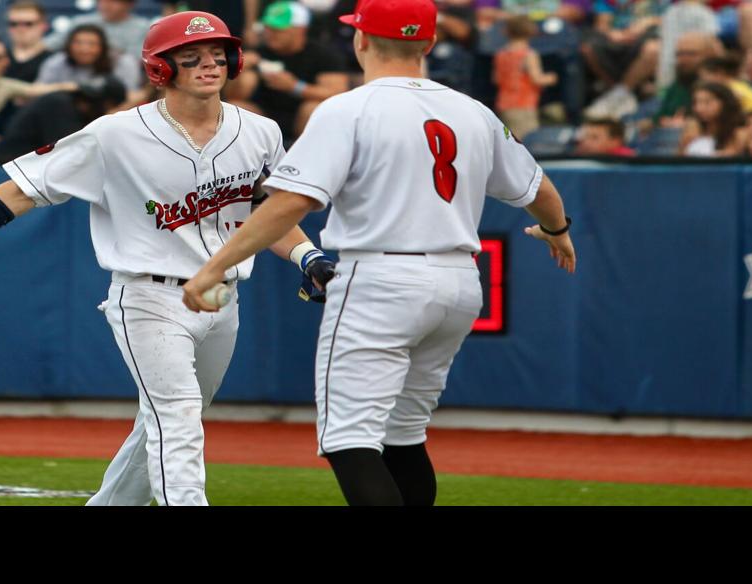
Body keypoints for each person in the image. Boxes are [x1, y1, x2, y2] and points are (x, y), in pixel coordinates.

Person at [0, 11, 337, 508]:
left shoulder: (261, 131)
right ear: (161, 69)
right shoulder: (115, 134)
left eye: (218, 54)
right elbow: (23, 190)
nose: (211, 64)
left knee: (160, 425)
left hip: (223, 298)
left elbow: (267, 216)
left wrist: (308, 256)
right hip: (150, 296)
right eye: (193, 57)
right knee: (178, 417)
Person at [181, 0, 577, 507]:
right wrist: (557, 230)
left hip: (381, 279)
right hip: (458, 285)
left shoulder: (350, 107)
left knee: (348, 438)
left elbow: (291, 203)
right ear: (429, 44)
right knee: (403, 434)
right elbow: (538, 188)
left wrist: (212, 267)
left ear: (361, 40)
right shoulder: (473, 110)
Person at [228, 1, 346, 141]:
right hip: (265, 113)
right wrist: (239, 68)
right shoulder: (256, 53)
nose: (270, 33)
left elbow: (338, 93)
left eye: (278, 29)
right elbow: (229, 96)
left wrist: (295, 87)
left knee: (311, 108)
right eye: (267, 28)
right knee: (237, 104)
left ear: (300, 30)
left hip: (301, 118)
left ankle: (305, 155)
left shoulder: (323, 55)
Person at [0, 73, 126, 162]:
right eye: (83, 97)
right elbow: (68, 154)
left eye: (89, 100)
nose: (84, 103)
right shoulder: (59, 105)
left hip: (26, 168)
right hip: (12, 169)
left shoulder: (67, 103)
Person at [37, 23, 145, 97]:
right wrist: (70, 87)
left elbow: (133, 96)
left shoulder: (123, 62)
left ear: (103, 47)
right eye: (78, 43)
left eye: (92, 44)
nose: (84, 49)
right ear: (68, 46)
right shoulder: (57, 62)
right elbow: (36, 91)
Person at [492, 14, 553, 139]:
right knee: (526, 143)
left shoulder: (501, 53)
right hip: (524, 105)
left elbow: (496, 79)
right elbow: (537, 79)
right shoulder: (528, 54)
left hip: (504, 104)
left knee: (510, 140)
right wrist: (552, 78)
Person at [44, 0, 150, 61]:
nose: (106, 5)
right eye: (102, 0)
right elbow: (50, 44)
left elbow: (139, 59)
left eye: (113, 1)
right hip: (77, 73)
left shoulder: (143, 27)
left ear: (130, 4)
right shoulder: (82, 21)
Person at [677, 79, 744, 156]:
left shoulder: (739, 132)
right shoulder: (692, 128)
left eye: (707, 102)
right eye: (696, 102)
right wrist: (685, 143)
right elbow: (678, 160)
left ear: (724, 103)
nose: (699, 108)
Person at [3, 0, 52, 83]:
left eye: (28, 24)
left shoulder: (55, 61)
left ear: (44, 26)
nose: (20, 29)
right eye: (13, 24)